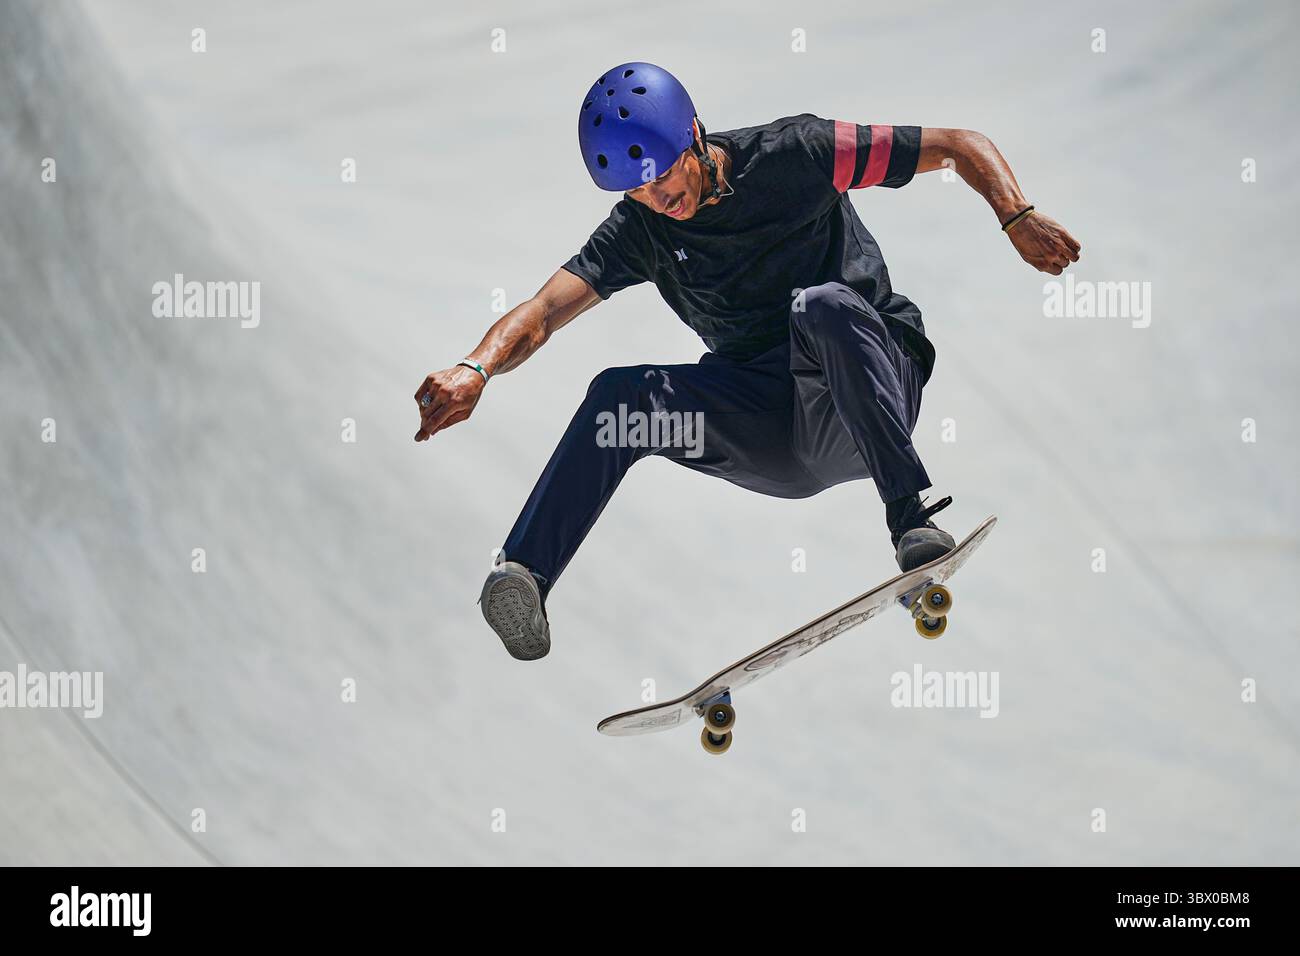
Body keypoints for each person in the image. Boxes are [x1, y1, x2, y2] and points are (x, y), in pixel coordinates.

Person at [414, 62, 1080, 661]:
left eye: (666, 175)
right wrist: (475, 367)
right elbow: (543, 310)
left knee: (821, 307)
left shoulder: (800, 152)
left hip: (873, 384)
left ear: (695, 136)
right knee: (620, 397)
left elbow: (957, 146)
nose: (659, 199)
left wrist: (1015, 214)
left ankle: (911, 516)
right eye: (638, 191)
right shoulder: (641, 230)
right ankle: (527, 574)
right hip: (777, 435)